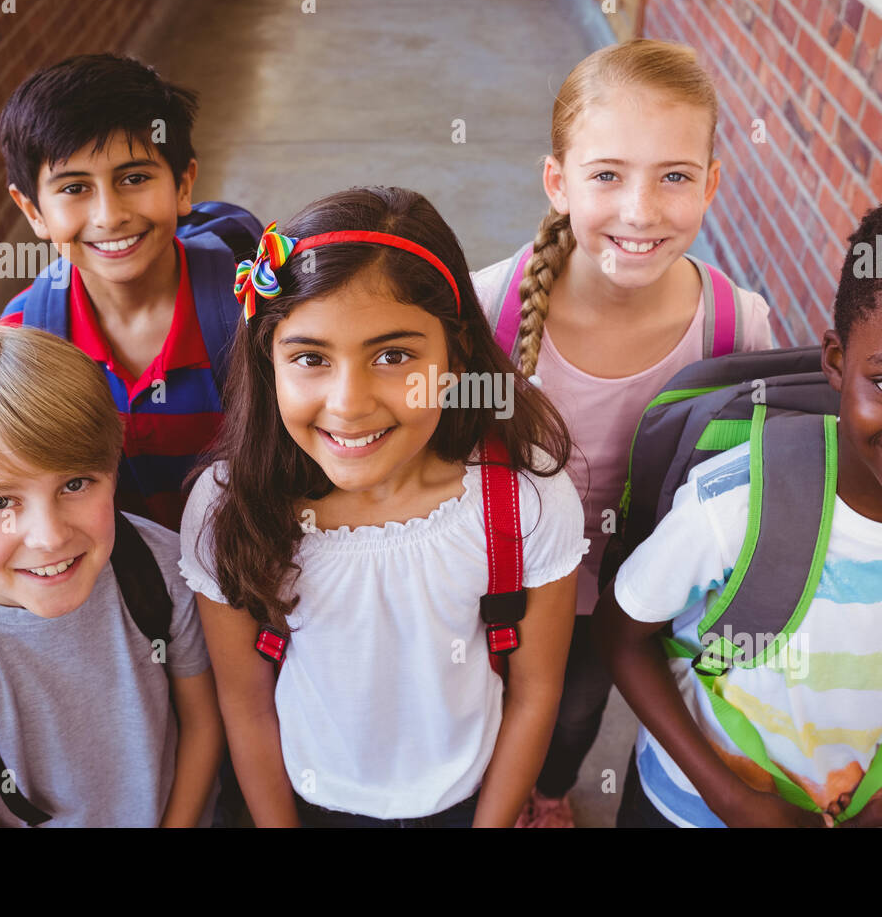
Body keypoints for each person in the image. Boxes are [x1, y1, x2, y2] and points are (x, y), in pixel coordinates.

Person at [595, 190, 882, 827]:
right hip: (689, 807)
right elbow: (623, 639)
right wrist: (730, 797)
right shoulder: (736, 504)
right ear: (838, 361)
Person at [180, 186, 590, 827]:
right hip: (308, 803)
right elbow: (246, 705)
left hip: (468, 802)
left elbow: (535, 693)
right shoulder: (229, 507)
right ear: (270, 363)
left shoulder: (525, 501)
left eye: (393, 356)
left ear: (455, 358)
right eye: (311, 358)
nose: (348, 403)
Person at [472, 38, 773, 826]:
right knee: (479, 704)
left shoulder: (737, 326)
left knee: (573, 713)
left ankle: (548, 791)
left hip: (621, 595)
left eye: (674, 176)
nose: (641, 210)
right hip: (491, 581)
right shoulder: (486, 309)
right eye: (607, 174)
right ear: (558, 182)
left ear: (710, 185)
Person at [0, 323, 223, 826]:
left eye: (75, 483)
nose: (48, 537)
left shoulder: (165, 570)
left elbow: (203, 723)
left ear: (113, 470)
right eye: (0, 502)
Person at [0, 53, 257, 531]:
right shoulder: (23, 342)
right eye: (75, 188)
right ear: (32, 210)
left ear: (183, 186)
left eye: (134, 179)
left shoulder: (254, 307)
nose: (109, 215)